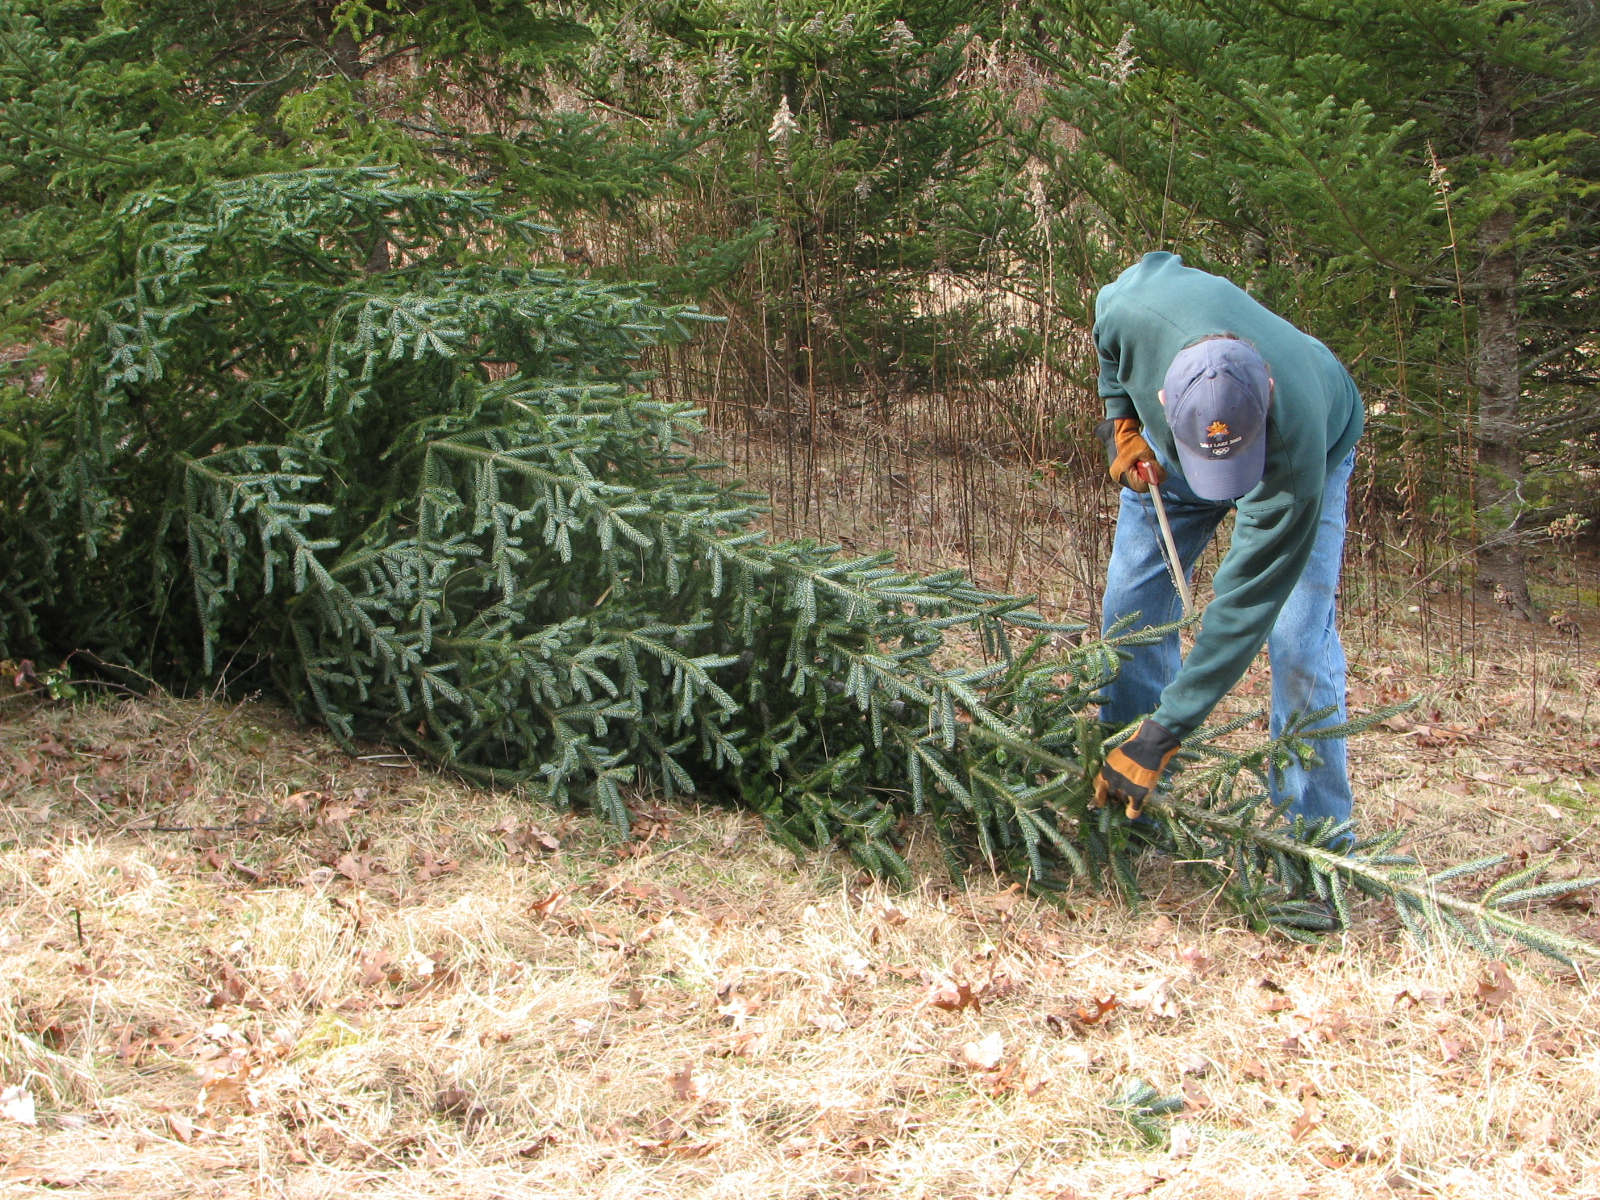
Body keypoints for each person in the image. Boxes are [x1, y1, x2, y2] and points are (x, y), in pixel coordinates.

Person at [1090, 251, 1364, 832]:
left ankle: (1314, 845)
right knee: (1131, 610)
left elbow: (1244, 607)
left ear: (1266, 388)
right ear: (1164, 399)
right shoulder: (1131, 305)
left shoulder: (1293, 450)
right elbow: (1109, 345)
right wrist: (1124, 425)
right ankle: (1123, 802)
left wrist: (1167, 732)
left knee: (1297, 643)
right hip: (1172, 456)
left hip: (1305, 448)